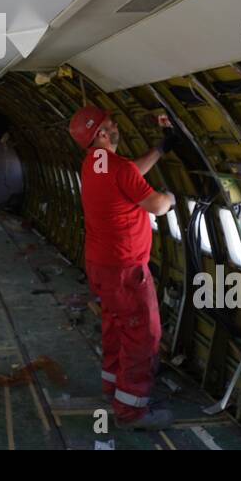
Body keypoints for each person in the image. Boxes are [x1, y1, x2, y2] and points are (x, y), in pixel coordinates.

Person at [69, 104, 177, 430]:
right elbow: (156, 206)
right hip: (126, 269)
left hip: (101, 265)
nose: (116, 125)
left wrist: (159, 149)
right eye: (111, 123)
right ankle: (131, 411)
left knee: (116, 326)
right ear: (103, 133)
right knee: (142, 335)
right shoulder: (117, 167)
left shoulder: (94, 163)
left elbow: (128, 174)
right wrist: (169, 197)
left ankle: (113, 388)